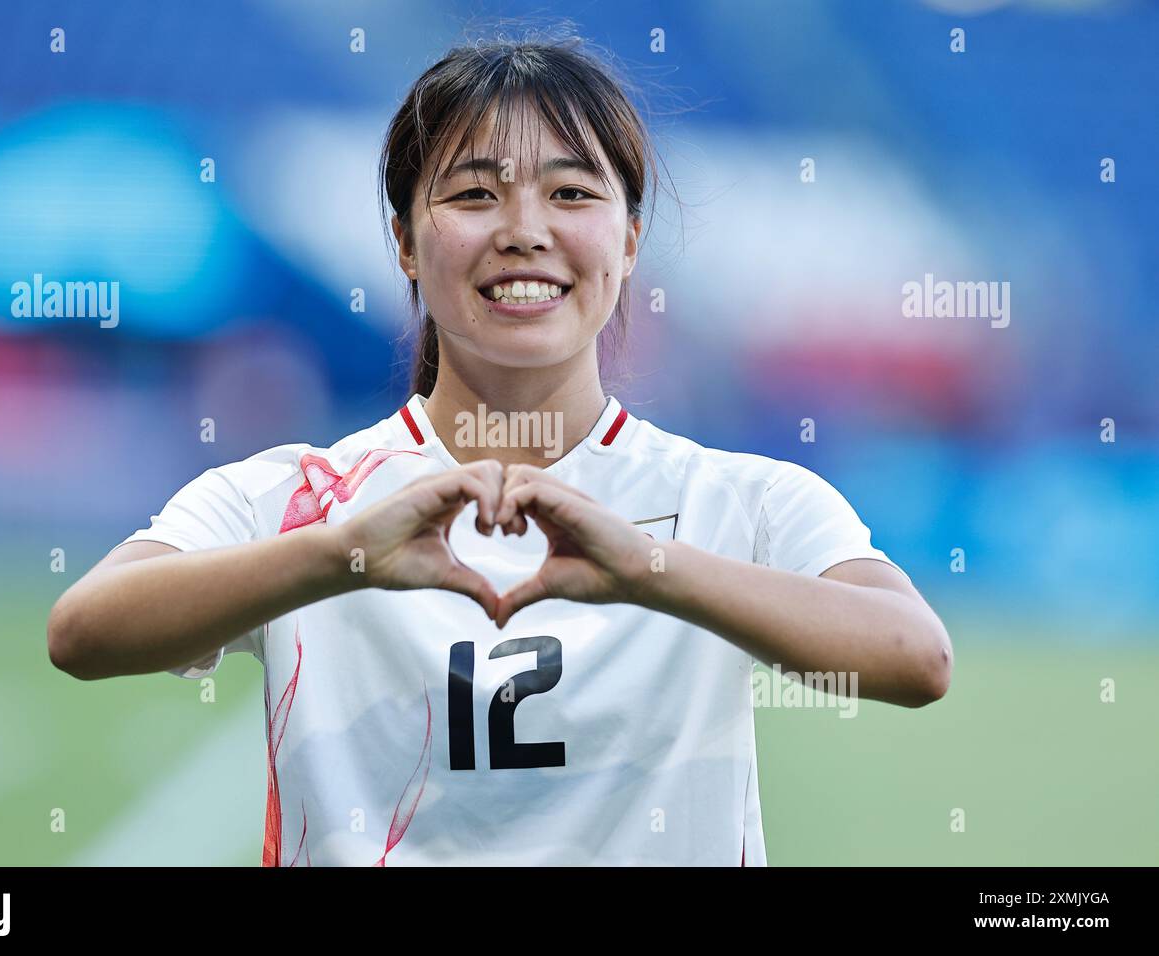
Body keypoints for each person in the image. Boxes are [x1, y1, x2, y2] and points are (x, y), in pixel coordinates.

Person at [48, 32, 951, 866]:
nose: (524, 230)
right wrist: (340, 556)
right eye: (475, 193)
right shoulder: (296, 496)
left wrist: (647, 568)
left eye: (571, 193)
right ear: (403, 240)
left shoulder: (744, 498)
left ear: (631, 238)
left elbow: (915, 659)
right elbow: (85, 633)